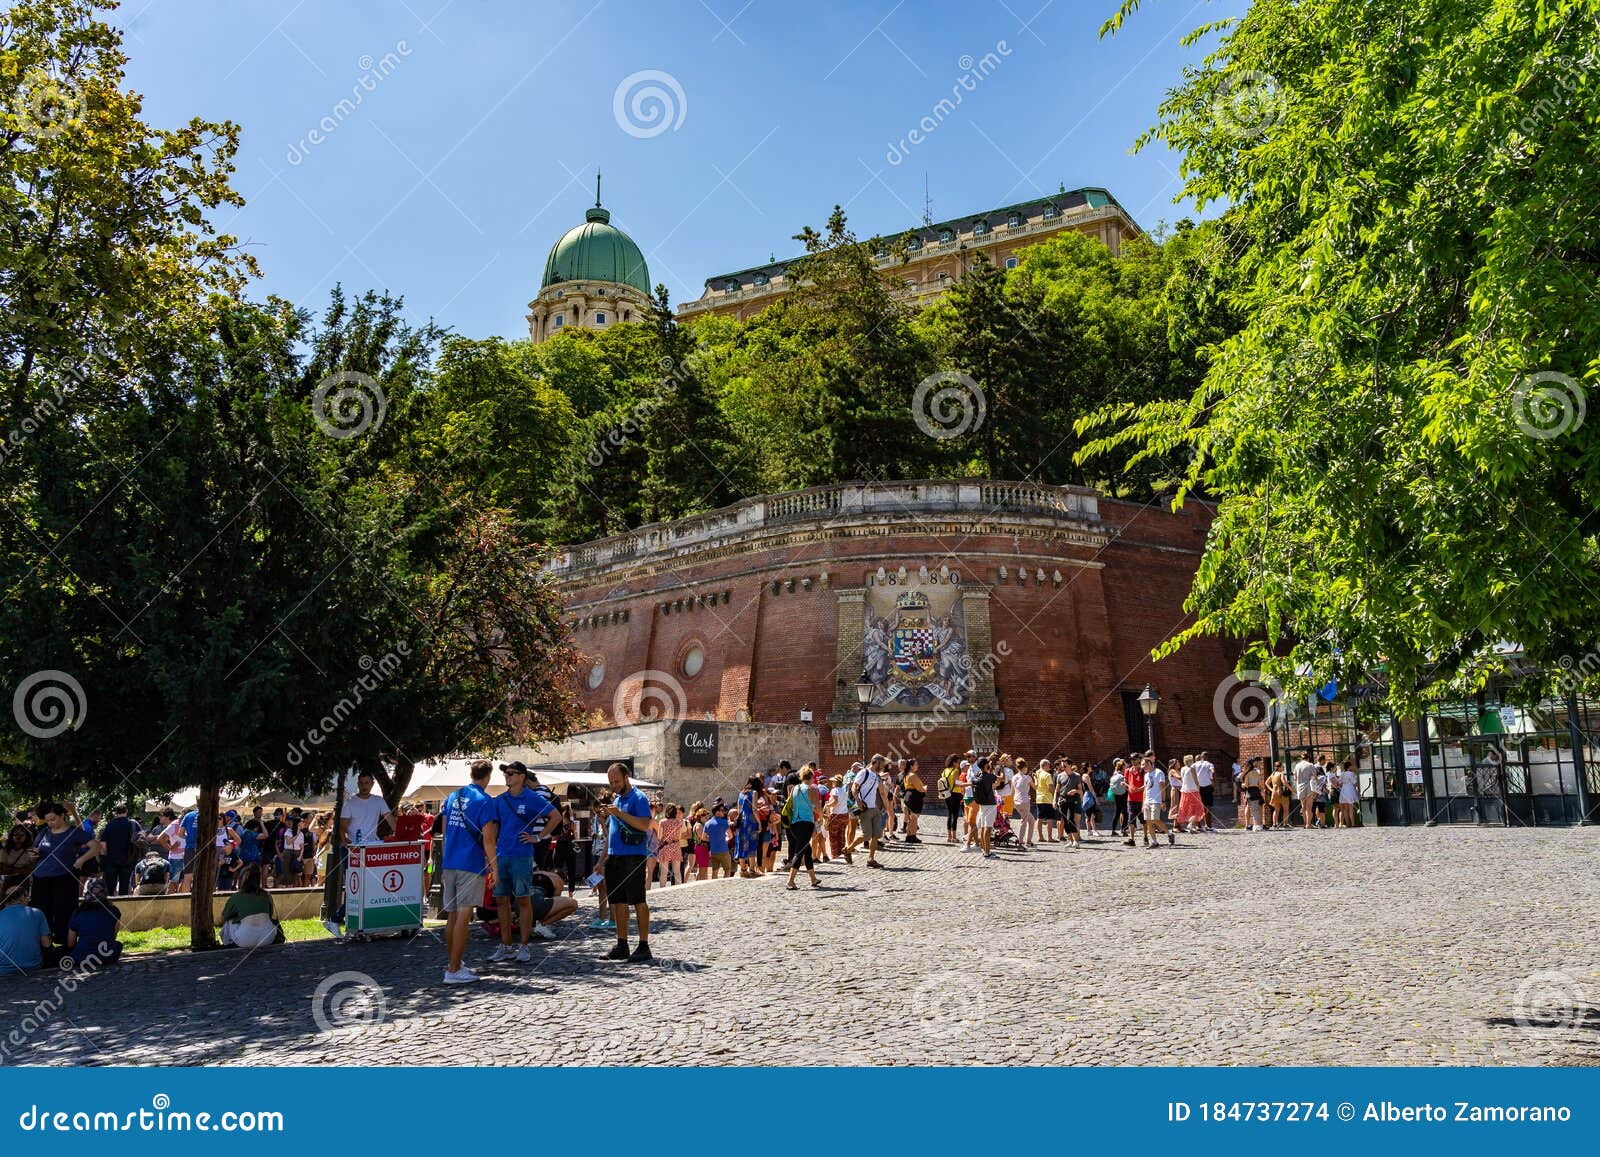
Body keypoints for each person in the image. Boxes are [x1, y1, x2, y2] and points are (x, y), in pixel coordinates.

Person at [489, 762, 569, 963]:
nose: (506, 776)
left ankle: (524, 946)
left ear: (522, 777)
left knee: (523, 899)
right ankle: (506, 946)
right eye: (505, 773)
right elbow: (495, 828)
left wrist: (539, 837)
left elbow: (556, 816)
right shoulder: (500, 800)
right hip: (502, 855)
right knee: (501, 900)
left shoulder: (532, 797)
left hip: (522, 855)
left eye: (511, 773)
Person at [438, 760, 497, 984]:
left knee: (452, 915)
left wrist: (444, 862)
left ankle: (454, 963)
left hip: (450, 861)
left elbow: (445, 833)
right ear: (488, 777)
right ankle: (453, 970)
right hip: (470, 863)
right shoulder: (485, 801)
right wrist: (495, 867)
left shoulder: (452, 796)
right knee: (464, 914)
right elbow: (489, 839)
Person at [597, 762, 654, 963]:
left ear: (626, 778)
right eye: (611, 782)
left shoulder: (638, 798)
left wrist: (619, 814)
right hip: (615, 856)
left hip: (633, 857)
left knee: (638, 900)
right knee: (617, 902)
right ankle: (622, 944)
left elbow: (645, 824)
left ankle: (644, 945)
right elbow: (613, 831)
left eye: (617, 781)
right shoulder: (617, 799)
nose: (614, 785)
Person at [32, 802, 97, 943]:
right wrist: (33, 854)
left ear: (62, 816)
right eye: (48, 820)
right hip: (40, 878)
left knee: (64, 912)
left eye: (53, 819)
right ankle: (44, 946)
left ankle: (65, 944)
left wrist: (81, 860)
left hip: (63, 878)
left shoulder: (74, 832)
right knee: (42, 913)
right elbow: (35, 849)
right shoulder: (44, 832)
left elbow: (95, 847)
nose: (50, 823)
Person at [0, 879, 56, 974]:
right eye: (27, 896)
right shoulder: (37, 913)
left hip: (3, 970)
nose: (29, 899)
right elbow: (46, 944)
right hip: (33, 968)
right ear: (22, 898)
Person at [219, 864, 279, 948]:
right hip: (268, 937)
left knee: (229, 922)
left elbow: (222, 918)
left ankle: (229, 944)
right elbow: (269, 914)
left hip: (246, 940)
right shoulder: (266, 895)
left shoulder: (237, 896)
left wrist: (238, 918)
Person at [66, 878, 122, 966]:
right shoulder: (114, 911)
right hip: (107, 956)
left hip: (82, 957)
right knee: (118, 945)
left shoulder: (78, 912)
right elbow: (112, 937)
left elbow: (70, 943)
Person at [783, 767, 823, 889]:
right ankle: (790, 881)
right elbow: (817, 807)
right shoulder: (812, 789)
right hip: (806, 823)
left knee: (807, 850)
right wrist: (822, 816)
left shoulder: (795, 788)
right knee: (800, 851)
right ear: (811, 777)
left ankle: (813, 879)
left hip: (794, 824)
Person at [849, 755, 888, 868]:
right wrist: (858, 800)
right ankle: (847, 849)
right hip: (864, 808)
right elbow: (854, 787)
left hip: (874, 809)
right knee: (866, 835)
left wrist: (887, 807)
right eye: (881, 765)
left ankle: (871, 859)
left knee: (876, 835)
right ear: (875, 762)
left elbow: (881, 793)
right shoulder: (864, 772)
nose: (882, 767)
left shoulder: (877, 776)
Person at [340, 772, 393, 847]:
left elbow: (390, 819)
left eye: (367, 783)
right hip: (354, 845)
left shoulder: (379, 800)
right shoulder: (349, 803)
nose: (364, 786)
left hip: (373, 844)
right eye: (361, 783)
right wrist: (344, 838)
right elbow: (342, 825)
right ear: (358, 784)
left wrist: (401, 835)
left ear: (372, 784)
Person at [97, 805, 137, 896]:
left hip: (111, 859)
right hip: (127, 859)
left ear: (116, 812)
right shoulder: (131, 823)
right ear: (126, 811)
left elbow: (103, 843)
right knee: (124, 886)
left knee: (110, 887)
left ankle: (109, 906)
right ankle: (123, 907)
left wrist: (108, 853)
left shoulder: (109, 824)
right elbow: (140, 837)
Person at [969, 757, 999, 858]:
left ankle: (984, 851)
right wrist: (993, 770)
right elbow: (998, 781)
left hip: (981, 804)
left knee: (982, 828)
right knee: (988, 828)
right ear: (986, 765)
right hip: (990, 805)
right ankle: (987, 853)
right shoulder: (989, 776)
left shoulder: (976, 776)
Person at [1141, 756, 1175, 847]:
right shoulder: (1146, 775)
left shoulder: (1159, 773)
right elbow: (1145, 790)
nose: (1142, 766)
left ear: (1149, 763)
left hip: (1156, 800)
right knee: (1148, 822)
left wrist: (1163, 801)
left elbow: (1162, 787)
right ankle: (1154, 841)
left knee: (1155, 819)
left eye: (1143, 764)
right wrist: (1143, 803)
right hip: (1147, 801)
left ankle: (1169, 834)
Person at [1, 824, 38, 900]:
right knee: (5, 903)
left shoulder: (31, 850)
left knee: (22, 902)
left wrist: (12, 869)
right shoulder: (5, 850)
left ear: (26, 836)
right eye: (15, 834)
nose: (18, 836)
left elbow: (31, 868)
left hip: (24, 882)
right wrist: (22, 870)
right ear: (11, 836)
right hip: (8, 882)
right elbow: (2, 868)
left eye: (22, 834)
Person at [654, 804, 685, 888]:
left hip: (665, 846)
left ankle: (662, 889)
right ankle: (679, 888)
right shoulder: (679, 822)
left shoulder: (662, 822)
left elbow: (659, 837)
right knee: (677, 871)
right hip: (675, 846)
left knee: (664, 872)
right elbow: (679, 836)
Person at [1175, 756, 1206, 833]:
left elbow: (1182, 779)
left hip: (1185, 791)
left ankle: (1192, 827)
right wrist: (1199, 788)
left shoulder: (1182, 769)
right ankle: (1191, 824)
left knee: (1189, 808)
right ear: (1191, 761)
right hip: (1193, 790)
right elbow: (1196, 780)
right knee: (1198, 808)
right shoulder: (1192, 768)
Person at [704, 802, 733, 879]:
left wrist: (712, 839)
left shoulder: (707, 823)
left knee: (714, 871)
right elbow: (730, 836)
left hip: (713, 851)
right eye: (722, 810)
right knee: (727, 869)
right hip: (724, 850)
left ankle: (714, 887)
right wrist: (725, 839)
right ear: (717, 812)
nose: (724, 812)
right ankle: (725, 886)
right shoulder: (724, 822)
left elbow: (703, 837)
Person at [1011, 761, 1036, 848]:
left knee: (1031, 820)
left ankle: (1028, 840)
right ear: (1024, 767)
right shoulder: (1027, 778)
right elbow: (1036, 787)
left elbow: (1012, 791)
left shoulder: (1014, 777)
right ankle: (1021, 842)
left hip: (1016, 801)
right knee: (1024, 821)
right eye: (1026, 767)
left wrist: (1012, 802)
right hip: (1024, 802)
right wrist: (1035, 778)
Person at [1293, 750, 1319, 829]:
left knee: (1303, 807)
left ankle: (1305, 823)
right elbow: (1315, 777)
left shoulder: (1297, 766)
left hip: (1300, 787)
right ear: (1308, 758)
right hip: (1309, 787)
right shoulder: (1310, 765)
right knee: (1309, 807)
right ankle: (1309, 824)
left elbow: (1295, 778)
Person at [902, 758, 926, 843]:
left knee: (911, 818)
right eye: (916, 764)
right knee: (914, 818)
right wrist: (925, 789)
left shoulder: (907, 775)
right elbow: (919, 788)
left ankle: (909, 836)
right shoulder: (912, 775)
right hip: (914, 797)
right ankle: (913, 836)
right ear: (911, 766)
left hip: (909, 796)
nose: (917, 766)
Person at [940, 756, 962, 844]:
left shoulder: (945, 771)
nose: (959, 765)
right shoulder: (955, 771)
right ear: (954, 763)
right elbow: (957, 783)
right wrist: (965, 783)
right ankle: (954, 837)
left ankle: (949, 836)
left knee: (949, 814)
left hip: (947, 794)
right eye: (958, 763)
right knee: (955, 816)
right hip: (955, 794)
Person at [1192, 751, 1217, 832]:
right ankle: (1208, 825)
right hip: (1207, 787)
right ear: (1207, 757)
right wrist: (1213, 782)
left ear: (1201, 757)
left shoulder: (1195, 764)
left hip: (1197, 788)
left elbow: (1191, 772)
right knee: (1208, 807)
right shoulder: (1209, 764)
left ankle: (1198, 825)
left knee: (1198, 806)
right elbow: (1213, 772)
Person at [1240, 756, 1265, 830]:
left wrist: (1242, 785)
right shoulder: (1257, 772)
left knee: (1253, 809)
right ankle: (1258, 825)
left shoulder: (1247, 773)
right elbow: (1260, 784)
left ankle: (1255, 825)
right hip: (1257, 790)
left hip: (1250, 791)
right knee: (1256, 809)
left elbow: (1246, 784)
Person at [1337, 758, 1361, 828]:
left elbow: (1339, 783)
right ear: (1349, 767)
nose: (1352, 767)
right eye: (1351, 766)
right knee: (1351, 808)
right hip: (1350, 790)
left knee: (1345, 809)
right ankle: (1353, 823)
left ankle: (1348, 824)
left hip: (1343, 790)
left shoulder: (1342, 774)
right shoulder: (1351, 773)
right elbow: (1355, 783)